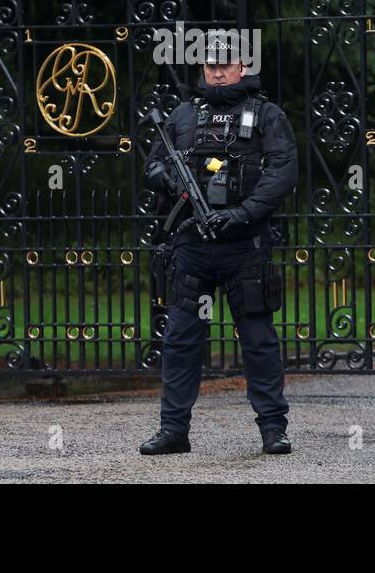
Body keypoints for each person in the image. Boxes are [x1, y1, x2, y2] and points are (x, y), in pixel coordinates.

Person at [138, 36, 299, 455]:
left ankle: (272, 429)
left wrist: (241, 213)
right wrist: (169, 181)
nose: (217, 71)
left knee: (258, 338)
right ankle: (174, 430)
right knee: (180, 338)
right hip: (192, 243)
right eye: (211, 65)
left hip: (245, 244)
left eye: (225, 64)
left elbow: (282, 173)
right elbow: (153, 161)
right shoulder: (184, 115)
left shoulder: (267, 115)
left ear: (243, 66)